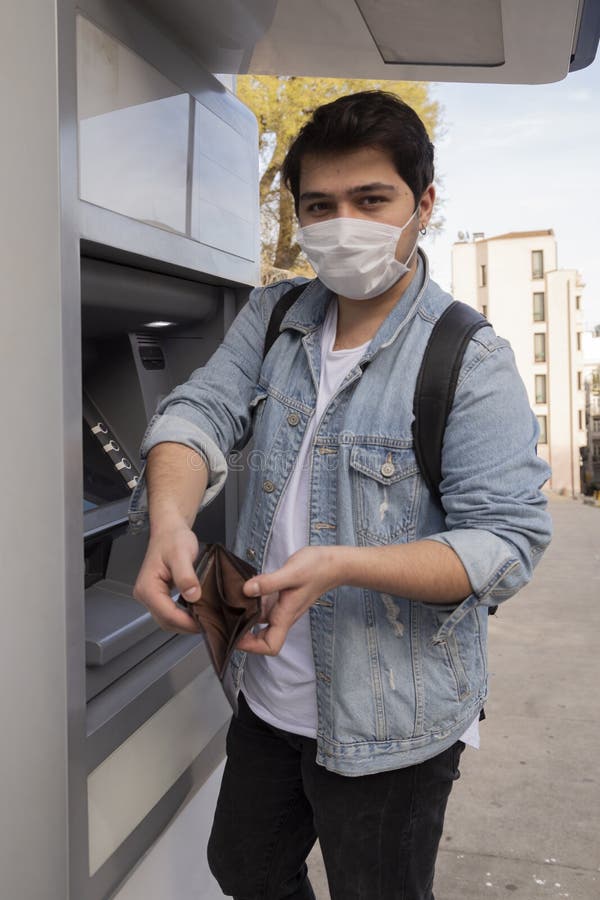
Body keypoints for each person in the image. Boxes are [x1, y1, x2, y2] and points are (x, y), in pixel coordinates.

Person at [129, 91, 552, 900]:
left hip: (394, 719)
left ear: (423, 204)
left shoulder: (469, 356)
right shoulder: (278, 311)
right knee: (244, 868)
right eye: (320, 206)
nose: (343, 223)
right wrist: (171, 520)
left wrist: (345, 564)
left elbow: (506, 542)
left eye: (371, 200)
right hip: (268, 690)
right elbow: (197, 411)